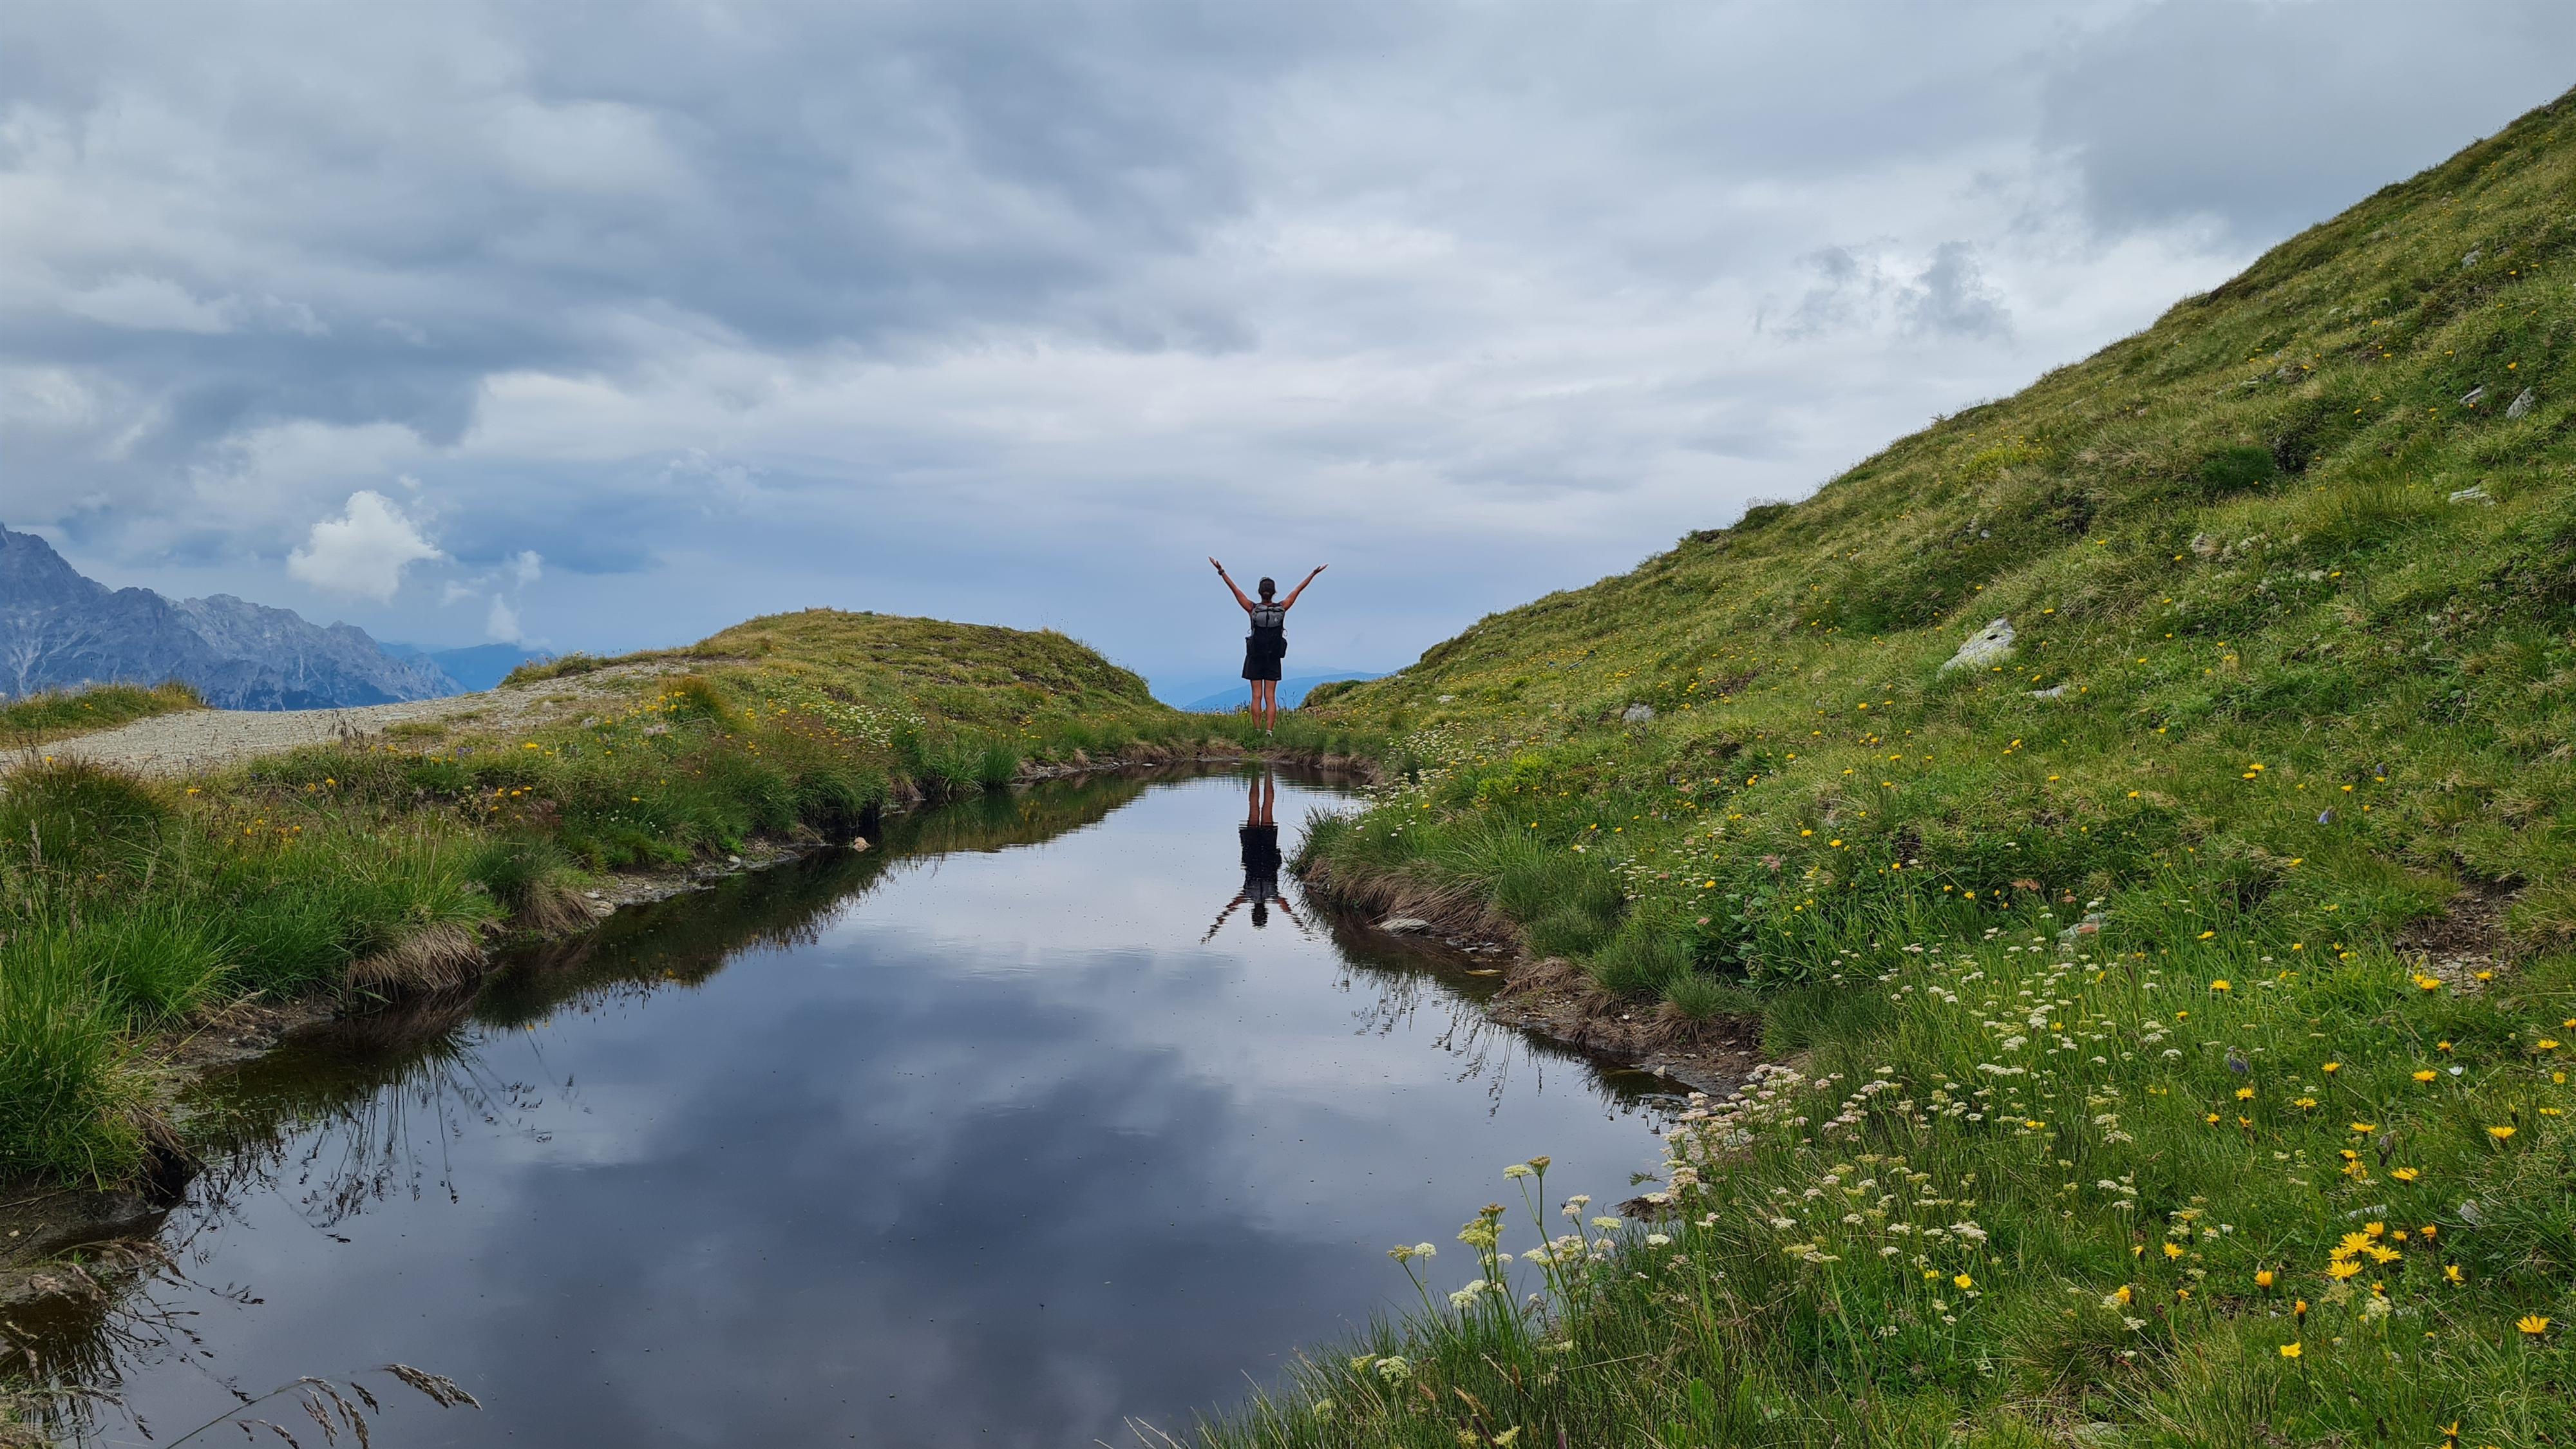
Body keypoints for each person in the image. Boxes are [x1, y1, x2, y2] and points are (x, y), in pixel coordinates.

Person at [1208, 558, 1325, 732]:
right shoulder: (1282, 608)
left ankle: (1257, 730)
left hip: (1255, 656)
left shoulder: (1252, 609)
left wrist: (1221, 570)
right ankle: (1269, 732)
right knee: (1270, 697)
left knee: (1256, 696)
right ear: (1274, 592)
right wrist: (1313, 574)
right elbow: (1298, 590)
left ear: (1260, 592)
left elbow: (1235, 590)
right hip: (1274, 657)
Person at [1204, 770, 1308, 940]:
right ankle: (1257, 774)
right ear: (1253, 912)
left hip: (1266, 849)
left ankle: (1266, 774)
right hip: (1252, 849)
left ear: (1265, 912)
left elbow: (1285, 907)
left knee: (1267, 806)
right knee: (1254, 808)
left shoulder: (1271, 895)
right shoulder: (1249, 895)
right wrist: (1217, 924)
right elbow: (1231, 908)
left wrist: (1298, 923)